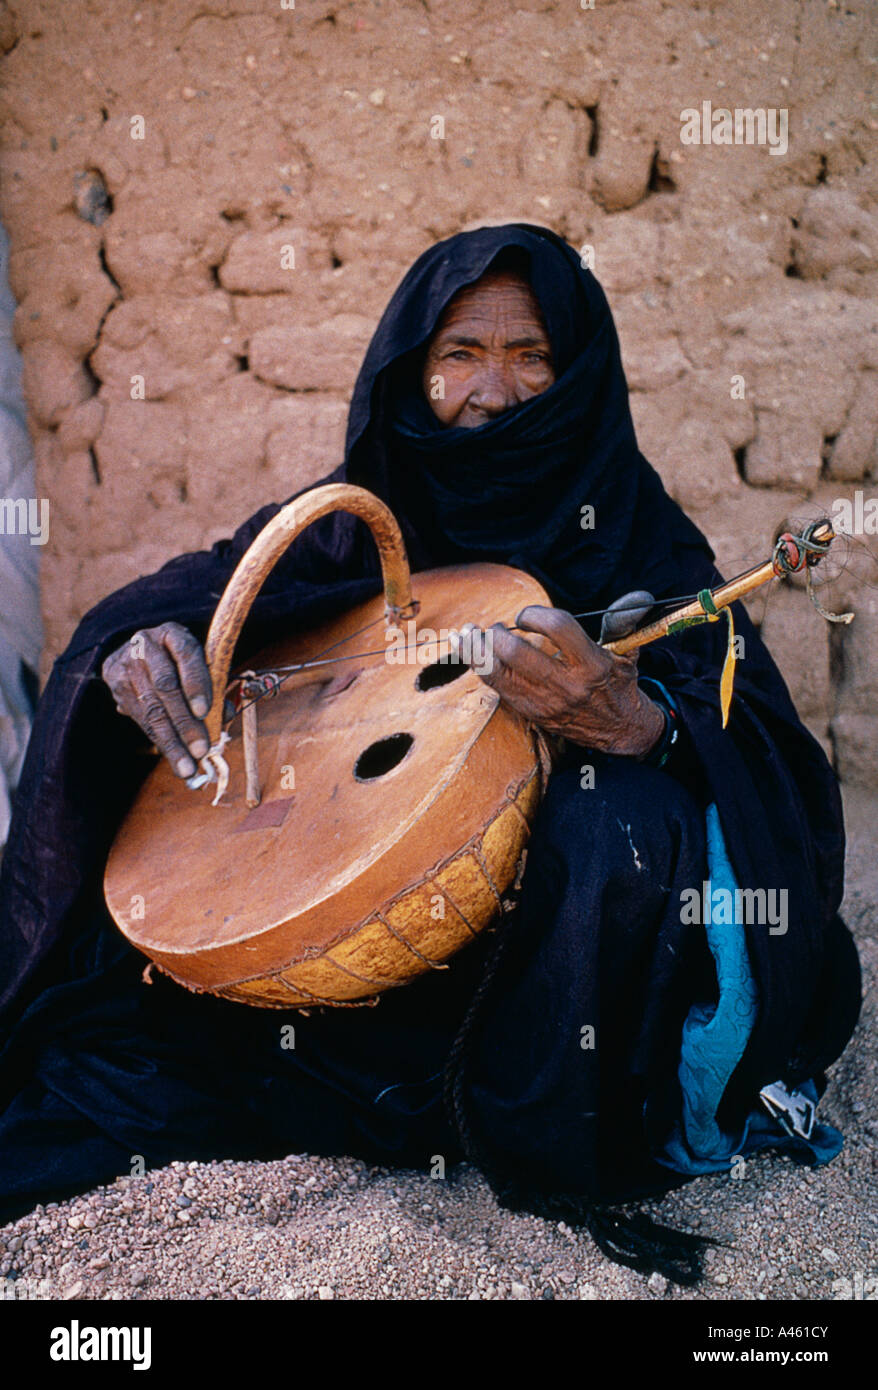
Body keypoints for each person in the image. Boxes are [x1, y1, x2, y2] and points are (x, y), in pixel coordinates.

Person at [0, 225, 861, 1283]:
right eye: (459, 354)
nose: (493, 392)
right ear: (411, 372)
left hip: (533, 985)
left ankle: (547, 1110)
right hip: (330, 979)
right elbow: (187, 600)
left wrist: (638, 726)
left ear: (576, 374)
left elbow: (768, 764)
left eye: (530, 356)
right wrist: (137, 657)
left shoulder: (639, 537)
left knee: (621, 820)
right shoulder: (356, 510)